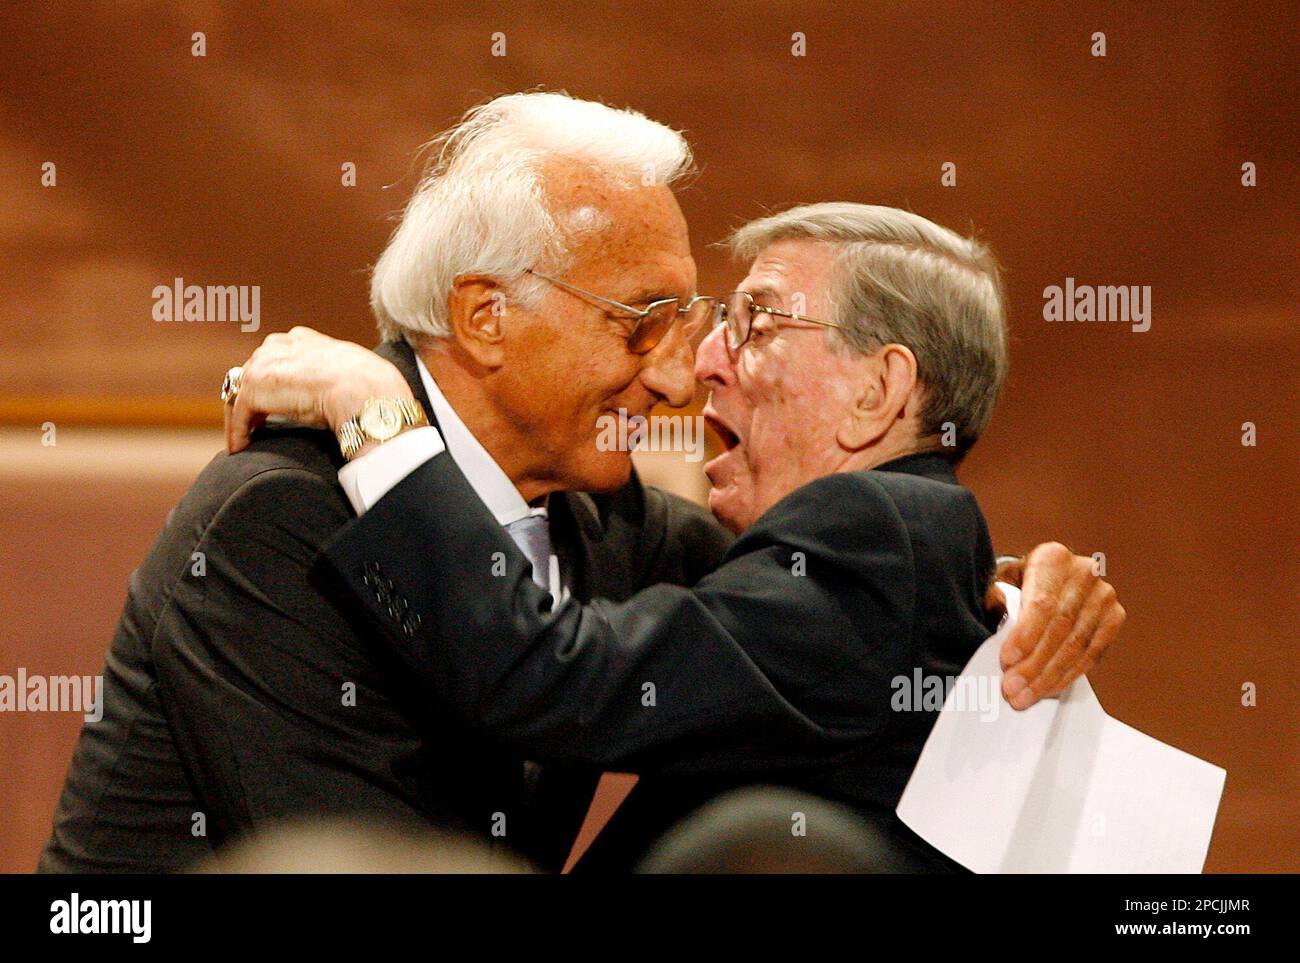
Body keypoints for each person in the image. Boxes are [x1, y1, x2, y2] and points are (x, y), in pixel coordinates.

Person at [40, 92, 1118, 874]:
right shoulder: (278, 521)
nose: (679, 370)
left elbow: (838, 591)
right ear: (484, 318)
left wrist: (1014, 593)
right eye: (642, 320)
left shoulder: (608, 523)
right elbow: (360, 865)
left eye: (699, 322)